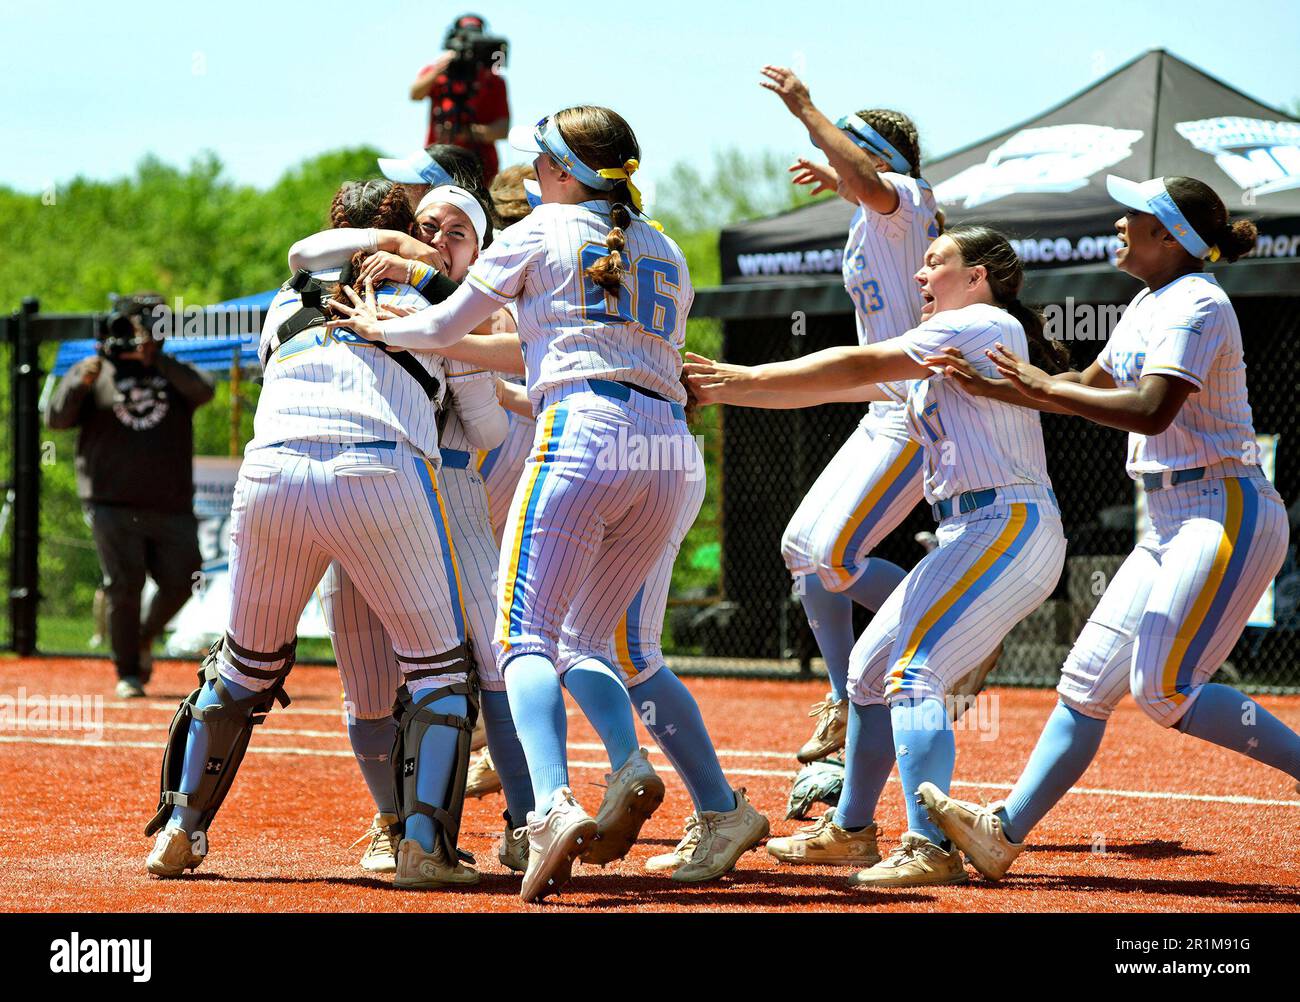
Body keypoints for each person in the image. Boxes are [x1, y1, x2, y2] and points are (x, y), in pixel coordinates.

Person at [327, 106, 768, 902]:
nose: (531, 178)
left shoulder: (539, 231)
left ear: (565, 171)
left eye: (539, 164)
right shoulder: (664, 245)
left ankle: (549, 807)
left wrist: (383, 325)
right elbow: (531, 342)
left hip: (584, 434)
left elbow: (452, 321)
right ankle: (720, 806)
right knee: (600, 643)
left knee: (519, 636)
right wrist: (431, 331)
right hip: (667, 446)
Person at [916, 176, 1300, 879]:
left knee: (1164, 691)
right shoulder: (1151, 301)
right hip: (1171, 516)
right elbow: (1089, 388)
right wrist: (1007, 388)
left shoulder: (1199, 304)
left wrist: (1034, 387)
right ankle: (1002, 833)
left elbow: (1151, 409)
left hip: (1225, 508)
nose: (1120, 225)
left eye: (1135, 217)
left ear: (1170, 236)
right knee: (1086, 681)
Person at [686, 224, 1069, 887]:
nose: (920, 277)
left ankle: (931, 849)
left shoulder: (982, 322)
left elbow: (858, 365)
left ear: (976, 277)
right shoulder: (951, 343)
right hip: (975, 531)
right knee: (867, 673)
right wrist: (728, 387)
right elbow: (830, 384)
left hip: (1008, 524)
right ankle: (853, 831)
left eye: (935, 264)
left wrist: (739, 374)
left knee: (912, 676)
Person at [143, 179, 479, 892]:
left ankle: (179, 828)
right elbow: (489, 426)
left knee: (241, 667)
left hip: (271, 473)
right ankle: (423, 846)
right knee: (438, 674)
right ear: (403, 232)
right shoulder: (435, 292)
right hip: (379, 471)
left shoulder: (281, 298)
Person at [287, 176, 535, 875]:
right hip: (373, 485)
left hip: (450, 488)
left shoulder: (481, 305)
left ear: (481, 248)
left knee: (494, 659)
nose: (437, 241)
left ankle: (524, 820)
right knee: (369, 681)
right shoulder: (361, 291)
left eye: (458, 232)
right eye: (426, 227)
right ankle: (395, 825)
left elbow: (485, 428)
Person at [759, 66, 951, 765]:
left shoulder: (902, 198)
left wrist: (805, 109)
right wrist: (838, 174)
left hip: (913, 412)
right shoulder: (874, 211)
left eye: (850, 150)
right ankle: (844, 700)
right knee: (801, 556)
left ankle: (948, 629)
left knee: (835, 556)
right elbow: (860, 178)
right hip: (880, 410)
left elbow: (871, 178)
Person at [46, 294, 214, 699]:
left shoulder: (171, 372)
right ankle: (128, 673)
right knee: (124, 585)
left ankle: (142, 637)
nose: (130, 339)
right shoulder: (94, 371)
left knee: (184, 576)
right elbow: (55, 418)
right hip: (109, 502)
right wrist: (78, 381)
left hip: (170, 503)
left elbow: (204, 390)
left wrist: (154, 359)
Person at [409, 13, 509, 183]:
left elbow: (502, 129)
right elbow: (415, 94)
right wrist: (437, 71)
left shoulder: (493, 81)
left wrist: (469, 134)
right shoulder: (438, 72)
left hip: (481, 171)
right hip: (437, 164)